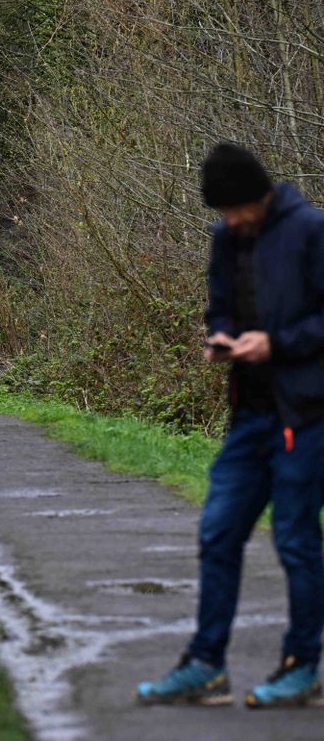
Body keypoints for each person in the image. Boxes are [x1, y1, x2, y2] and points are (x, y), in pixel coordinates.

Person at [136, 143, 324, 709]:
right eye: (222, 212)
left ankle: (302, 666)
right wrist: (221, 337)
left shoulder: (312, 230)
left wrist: (278, 344)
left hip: (306, 414)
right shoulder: (226, 239)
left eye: (237, 209)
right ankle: (206, 666)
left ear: (261, 194)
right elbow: (219, 306)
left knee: (294, 539)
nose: (231, 220)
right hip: (250, 416)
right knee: (218, 531)